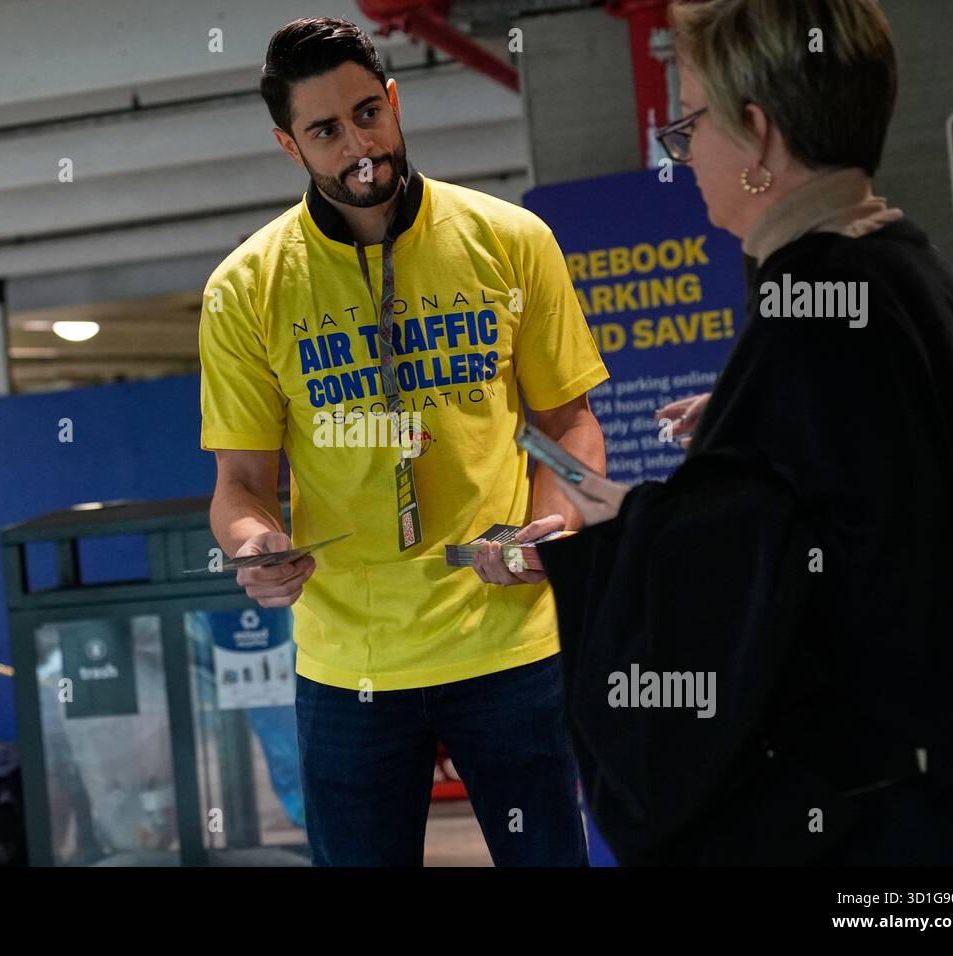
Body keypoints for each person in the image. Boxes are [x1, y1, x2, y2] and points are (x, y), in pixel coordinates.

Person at [541, 0, 953, 866]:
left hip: (879, 833)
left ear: (756, 135)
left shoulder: (812, 303)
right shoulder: (908, 264)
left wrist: (620, 530)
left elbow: (741, 595)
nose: (683, 159)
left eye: (689, 128)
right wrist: (736, 436)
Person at [199, 17, 610, 866]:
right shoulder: (245, 288)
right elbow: (240, 481)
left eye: (367, 114)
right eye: (324, 130)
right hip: (350, 666)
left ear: (393, 101)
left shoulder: (511, 239)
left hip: (508, 643)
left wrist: (552, 529)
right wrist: (255, 545)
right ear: (289, 145)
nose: (359, 147)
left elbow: (568, 424)